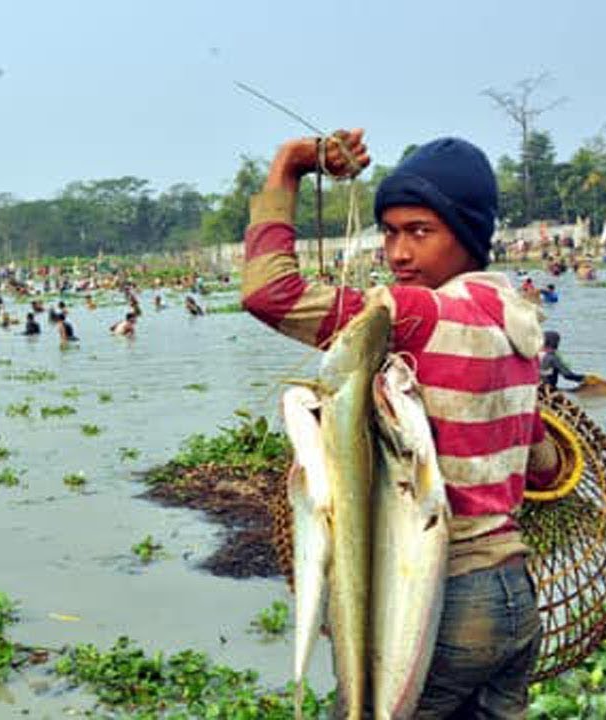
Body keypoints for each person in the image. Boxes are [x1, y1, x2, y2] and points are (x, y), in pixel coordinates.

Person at [241, 130, 550, 717]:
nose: (399, 253)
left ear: (467, 235)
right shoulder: (520, 327)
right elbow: (542, 467)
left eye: (420, 232)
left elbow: (268, 292)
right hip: (513, 598)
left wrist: (286, 169)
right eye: (390, 231)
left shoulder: (417, 315)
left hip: (442, 598)